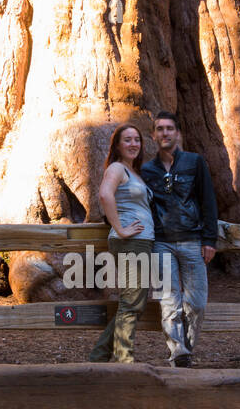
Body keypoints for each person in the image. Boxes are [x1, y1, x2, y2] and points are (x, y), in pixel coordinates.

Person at [141, 111, 217, 367]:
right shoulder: (146, 170)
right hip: (160, 243)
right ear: (153, 135)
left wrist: (210, 239)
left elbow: (208, 201)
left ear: (177, 133)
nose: (164, 133)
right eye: (160, 129)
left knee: (196, 302)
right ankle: (178, 353)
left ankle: (187, 349)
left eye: (169, 128)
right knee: (168, 301)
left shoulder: (195, 162)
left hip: (192, 241)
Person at [88, 123, 156, 363]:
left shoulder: (134, 172)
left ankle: (99, 357)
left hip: (141, 242)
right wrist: (120, 228)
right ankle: (123, 360)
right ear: (117, 145)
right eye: (127, 140)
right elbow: (105, 195)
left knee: (134, 301)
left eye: (137, 139)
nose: (133, 144)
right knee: (132, 302)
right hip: (131, 243)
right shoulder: (117, 168)